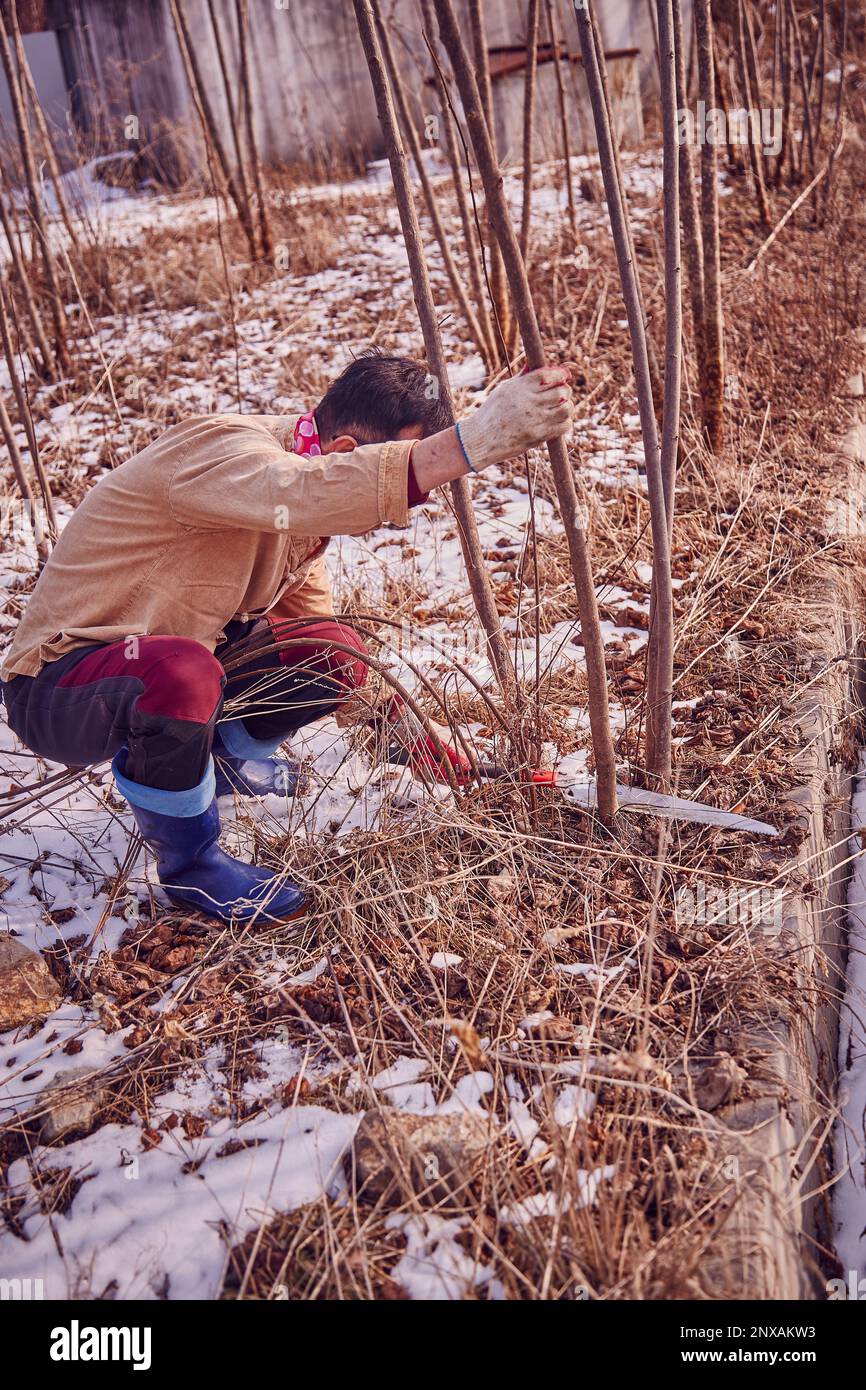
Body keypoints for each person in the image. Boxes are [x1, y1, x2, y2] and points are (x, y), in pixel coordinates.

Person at [0, 351, 573, 924]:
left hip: (171, 664)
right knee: (181, 672)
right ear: (346, 453)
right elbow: (299, 491)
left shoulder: (294, 517)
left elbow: (334, 653)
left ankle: (213, 766)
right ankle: (192, 867)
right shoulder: (228, 454)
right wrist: (470, 444)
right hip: (57, 686)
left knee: (329, 647)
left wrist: (444, 758)